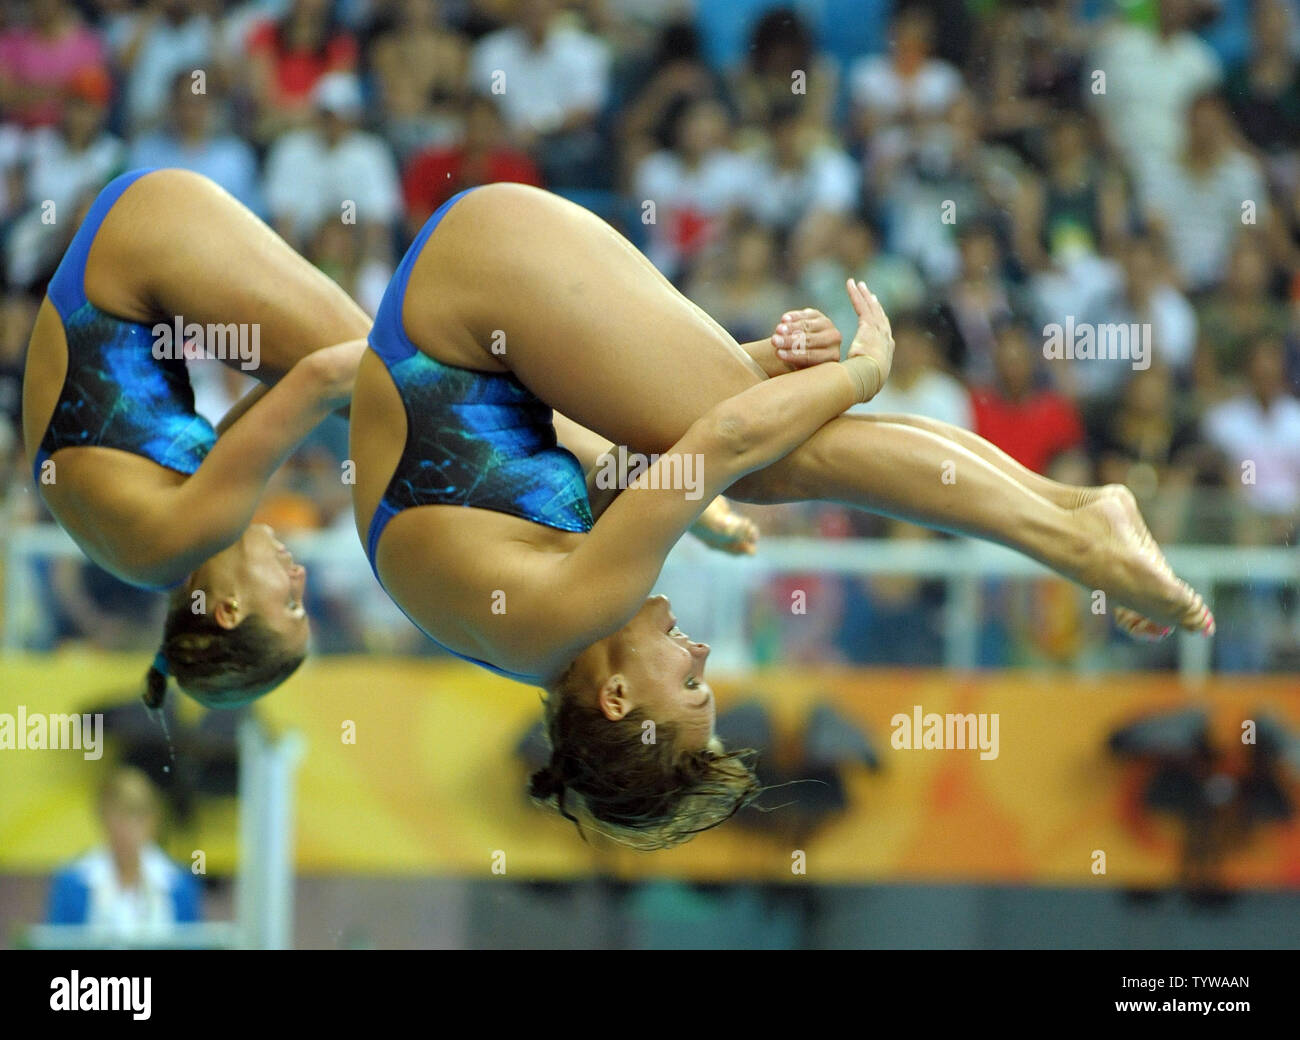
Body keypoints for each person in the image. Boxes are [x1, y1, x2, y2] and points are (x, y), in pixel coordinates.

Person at [348, 183, 1214, 849]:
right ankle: (1073, 509)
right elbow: (626, 453)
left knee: (773, 464)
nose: (700, 654)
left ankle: (1076, 536)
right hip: (477, 298)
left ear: (614, 699)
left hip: (480, 283)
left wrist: (861, 374)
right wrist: (760, 367)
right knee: (774, 442)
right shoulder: (527, 630)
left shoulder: (564, 616)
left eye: (688, 686)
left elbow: (720, 441)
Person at [22, 167, 370, 707]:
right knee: (383, 391)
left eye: (292, 606)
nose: (301, 576)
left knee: (404, 392)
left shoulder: (190, 533)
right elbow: (294, 389)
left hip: (144, 243)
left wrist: (433, 352)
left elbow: (320, 377)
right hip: (122, 245)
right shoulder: (158, 548)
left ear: (228, 609)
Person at [47, 767, 201, 939]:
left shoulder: (179, 884)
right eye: (117, 816)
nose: (125, 829)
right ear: (102, 818)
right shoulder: (72, 881)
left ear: (153, 821)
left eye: (135, 816)